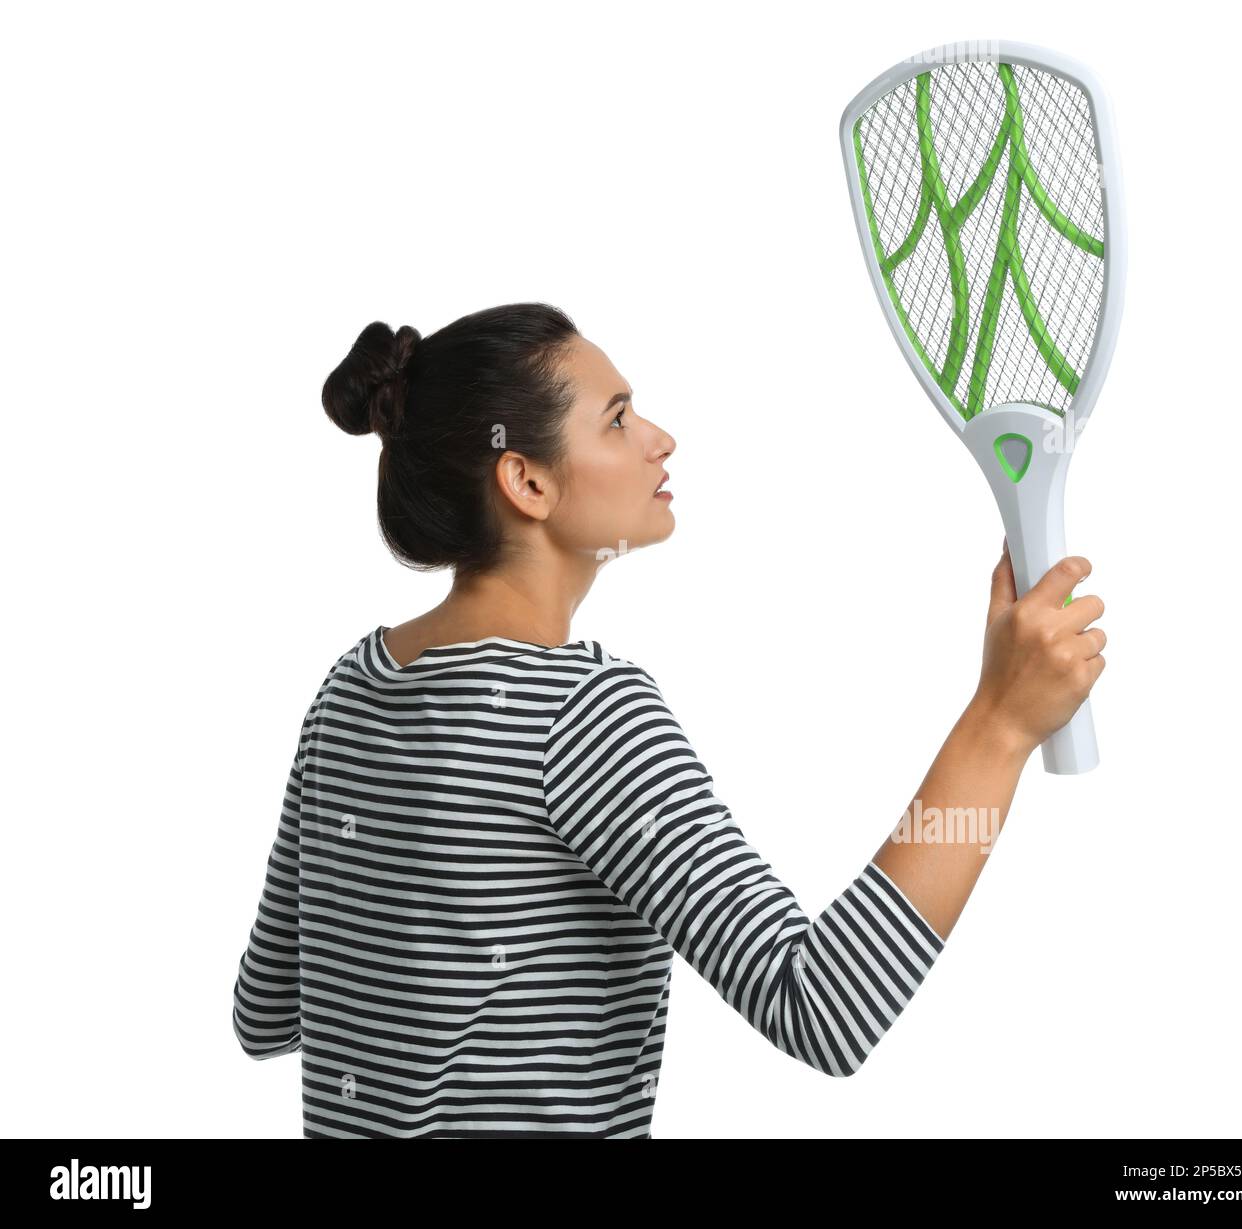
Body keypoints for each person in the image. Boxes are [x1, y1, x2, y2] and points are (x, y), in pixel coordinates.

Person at [232, 302, 1106, 1138]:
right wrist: (998, 726)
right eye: (617, 419)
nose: (660, 440)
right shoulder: (582, 715)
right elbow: (825, 1007)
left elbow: (264, 1012)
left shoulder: (349, 691)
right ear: (526, 480)